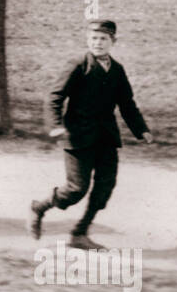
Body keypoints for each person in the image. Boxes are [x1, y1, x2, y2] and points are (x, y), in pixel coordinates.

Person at [27, 20, 152, 249]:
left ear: (113, 42)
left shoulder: (117, 69)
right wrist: (54, 125)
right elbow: (54, 97)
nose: (98, 43)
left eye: (103, 38)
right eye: (94, 38)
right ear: (87, 40)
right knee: (76, 190)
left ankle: (79, 233)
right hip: (78, 137)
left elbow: (127, 104)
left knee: (105, 187)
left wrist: (141, 129)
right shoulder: (77, 65)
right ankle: (39, 207)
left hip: (106, 138)